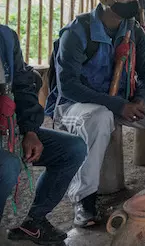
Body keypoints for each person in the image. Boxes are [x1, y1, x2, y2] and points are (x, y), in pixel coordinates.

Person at [46, 0, 145, 228]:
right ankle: (84, 199)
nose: (135, 0)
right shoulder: (77, 32)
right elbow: (69, 86)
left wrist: (143, 98)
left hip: (121, 100)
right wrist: (118, 105)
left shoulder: (133, 31)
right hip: (76, 106)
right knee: (99, 116)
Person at [0, 26, 86, 244]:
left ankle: (30, 220)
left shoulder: (5, 38)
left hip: (9, 130)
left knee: (72, 148)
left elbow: (21, 86)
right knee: (8, 166)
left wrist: (30, 130)